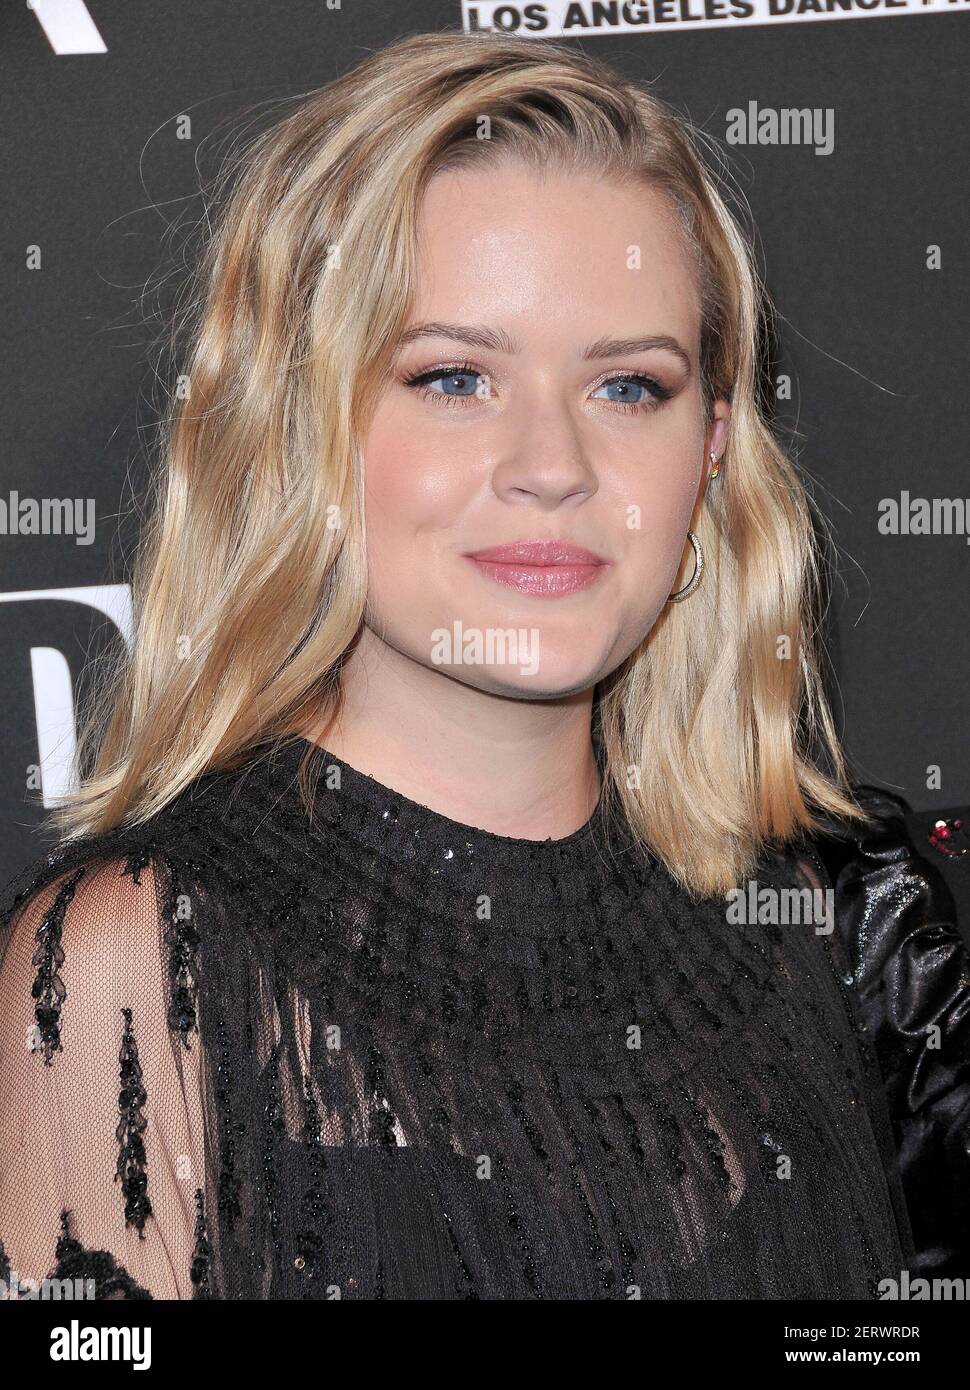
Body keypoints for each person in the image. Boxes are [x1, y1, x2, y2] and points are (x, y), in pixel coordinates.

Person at [0, 30, 967, 1300]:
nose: (552, 463)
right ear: (300, 423)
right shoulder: (140, 962)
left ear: (713, 449)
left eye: (628, 386)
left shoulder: (843, 926)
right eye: (454, 376)